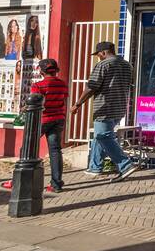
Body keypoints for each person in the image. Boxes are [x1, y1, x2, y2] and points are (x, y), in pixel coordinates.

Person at [72, 41, 139, 181]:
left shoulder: (103, 64)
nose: (98, 57)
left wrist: (78, 104)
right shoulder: (127, 65)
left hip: (105, 107)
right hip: (119, 107)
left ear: (103, 52)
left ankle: (125, 164)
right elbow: (130, 84)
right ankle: (95, 167)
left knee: (103, 136)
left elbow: (91, 87)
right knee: (100, 136)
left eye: (98, 54)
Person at [32, 58, 69, 193]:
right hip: (58, 119)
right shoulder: (62, 84)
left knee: (27, 148)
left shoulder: (38, 86)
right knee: (55, 151)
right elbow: (63, 101)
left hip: (43, 120)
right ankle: (56, 184)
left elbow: (36, 104)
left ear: (41, 71)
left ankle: (20, 179)